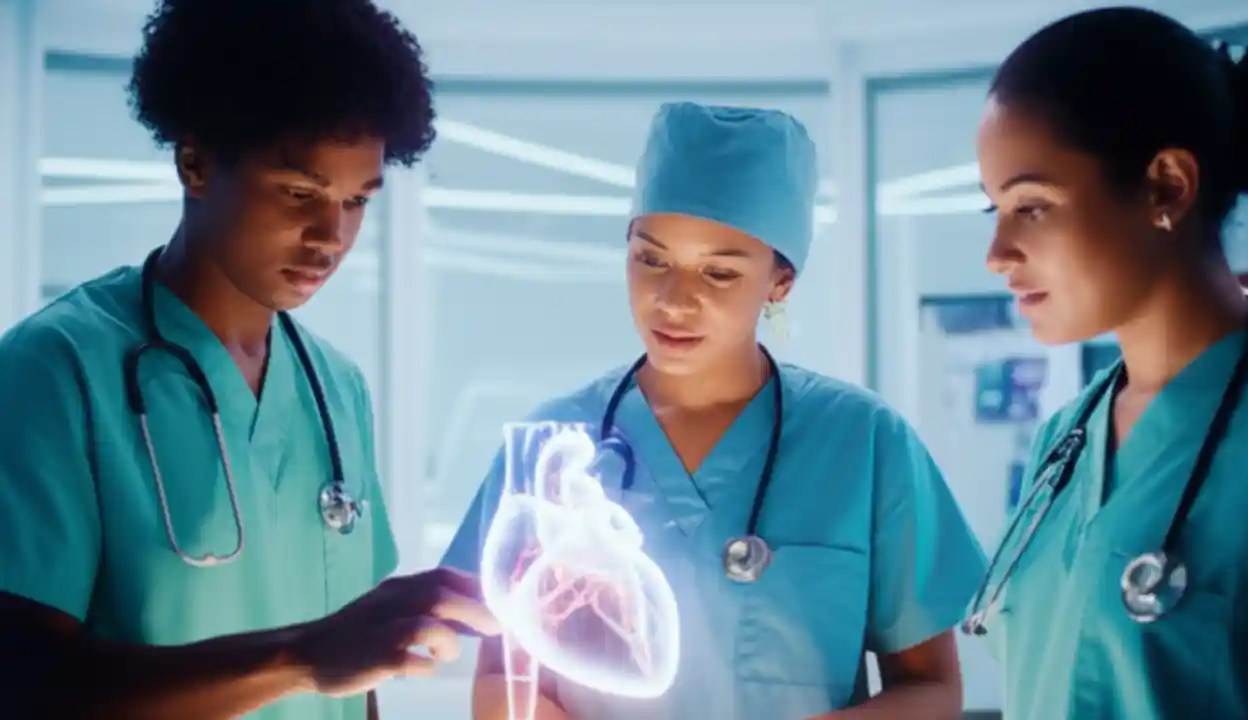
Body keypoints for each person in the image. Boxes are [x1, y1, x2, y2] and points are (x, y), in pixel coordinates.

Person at [0, 1, 498, 719]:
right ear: (196, 163)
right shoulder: (55, 369)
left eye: (357, 201)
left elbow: (356, 683)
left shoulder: (336, 389)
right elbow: (21, 684)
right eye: (300, 193)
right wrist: (300, 658)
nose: (331, 235)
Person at [443, 101, 986, 720]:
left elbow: (931, 687)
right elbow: (504, 677)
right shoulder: (552, 446)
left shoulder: (862, 442)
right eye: (651, 259)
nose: (675, 300)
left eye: (719, 273)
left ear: (780, 282)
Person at [969, 7, 1248, 719]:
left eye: (1032, 206)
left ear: (1166, 186)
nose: (997, 255)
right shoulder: (1066, 440)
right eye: (995, 211)